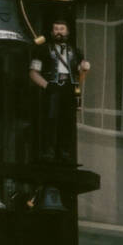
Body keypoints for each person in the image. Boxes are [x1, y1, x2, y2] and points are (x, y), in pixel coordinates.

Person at [29, 19, 89, 163]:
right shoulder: (43, 50)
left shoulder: (75, 51)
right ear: (51, 32)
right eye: (56, 29)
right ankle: (48, 151)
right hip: (53, 88)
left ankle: (65, 152)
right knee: (51, 120)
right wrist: (47, 85)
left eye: (62, 29)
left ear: (67, 32)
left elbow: (81, 72)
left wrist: (84, 68)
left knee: (67, 121)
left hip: (69, 88)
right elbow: (33, 72)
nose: (59, 32)